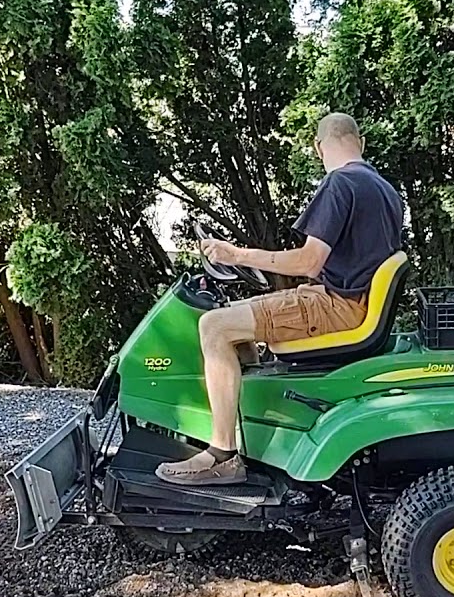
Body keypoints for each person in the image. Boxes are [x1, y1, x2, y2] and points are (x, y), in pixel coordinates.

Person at [156, 112, 405, 485]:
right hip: (349, 301)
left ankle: (222, 455)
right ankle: (251, 434)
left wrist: (238, 255)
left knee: (212, 325)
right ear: (360, 142)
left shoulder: (341, 183)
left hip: (341, 308)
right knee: (233, 317)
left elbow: (308, 261)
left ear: (319, 146)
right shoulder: (384, 189)